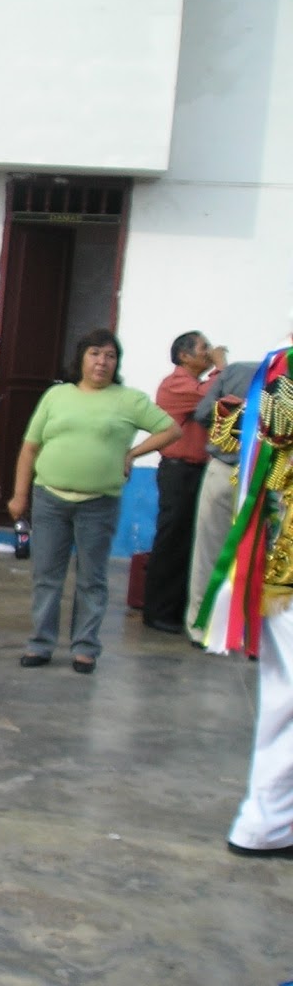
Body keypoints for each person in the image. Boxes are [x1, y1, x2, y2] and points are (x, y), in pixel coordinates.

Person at [7, 329, 180, 673]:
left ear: (117, 362)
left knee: (92, 578)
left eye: (110, 355)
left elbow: (171, 429)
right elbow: (30, 447)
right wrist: (20, 494)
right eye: (95, 354)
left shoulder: (129, 399)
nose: (102, 361)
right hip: (50, 499)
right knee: (46, 575)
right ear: (81, 358)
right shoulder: (57, 395)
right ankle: (41, 644)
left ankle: (85, 647)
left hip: (99, 503)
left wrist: (132, 453)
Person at [204, 338, 293, 856]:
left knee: (283, 701)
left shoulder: (277, 372)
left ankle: (266, 822)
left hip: (276, 559)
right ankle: (267, 823)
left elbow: (233, 432)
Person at [143, 330, 220, 633]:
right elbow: (210, 396)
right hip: (178, 471)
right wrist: (222, 366)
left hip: (196, 470)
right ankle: (157, 611)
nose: (209, 352)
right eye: (204, 348)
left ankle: (175, 610)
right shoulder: (176, 384)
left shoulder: (197, 383)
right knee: (171, 541)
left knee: (188, 542)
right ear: (184, 356)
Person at [187, 358, 260, 644]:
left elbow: (203, 412)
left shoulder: (237, 371)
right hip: (269, 480)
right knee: (260, 558)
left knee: (207, 553)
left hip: (224, 469)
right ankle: (250, 631)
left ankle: (200, 628)